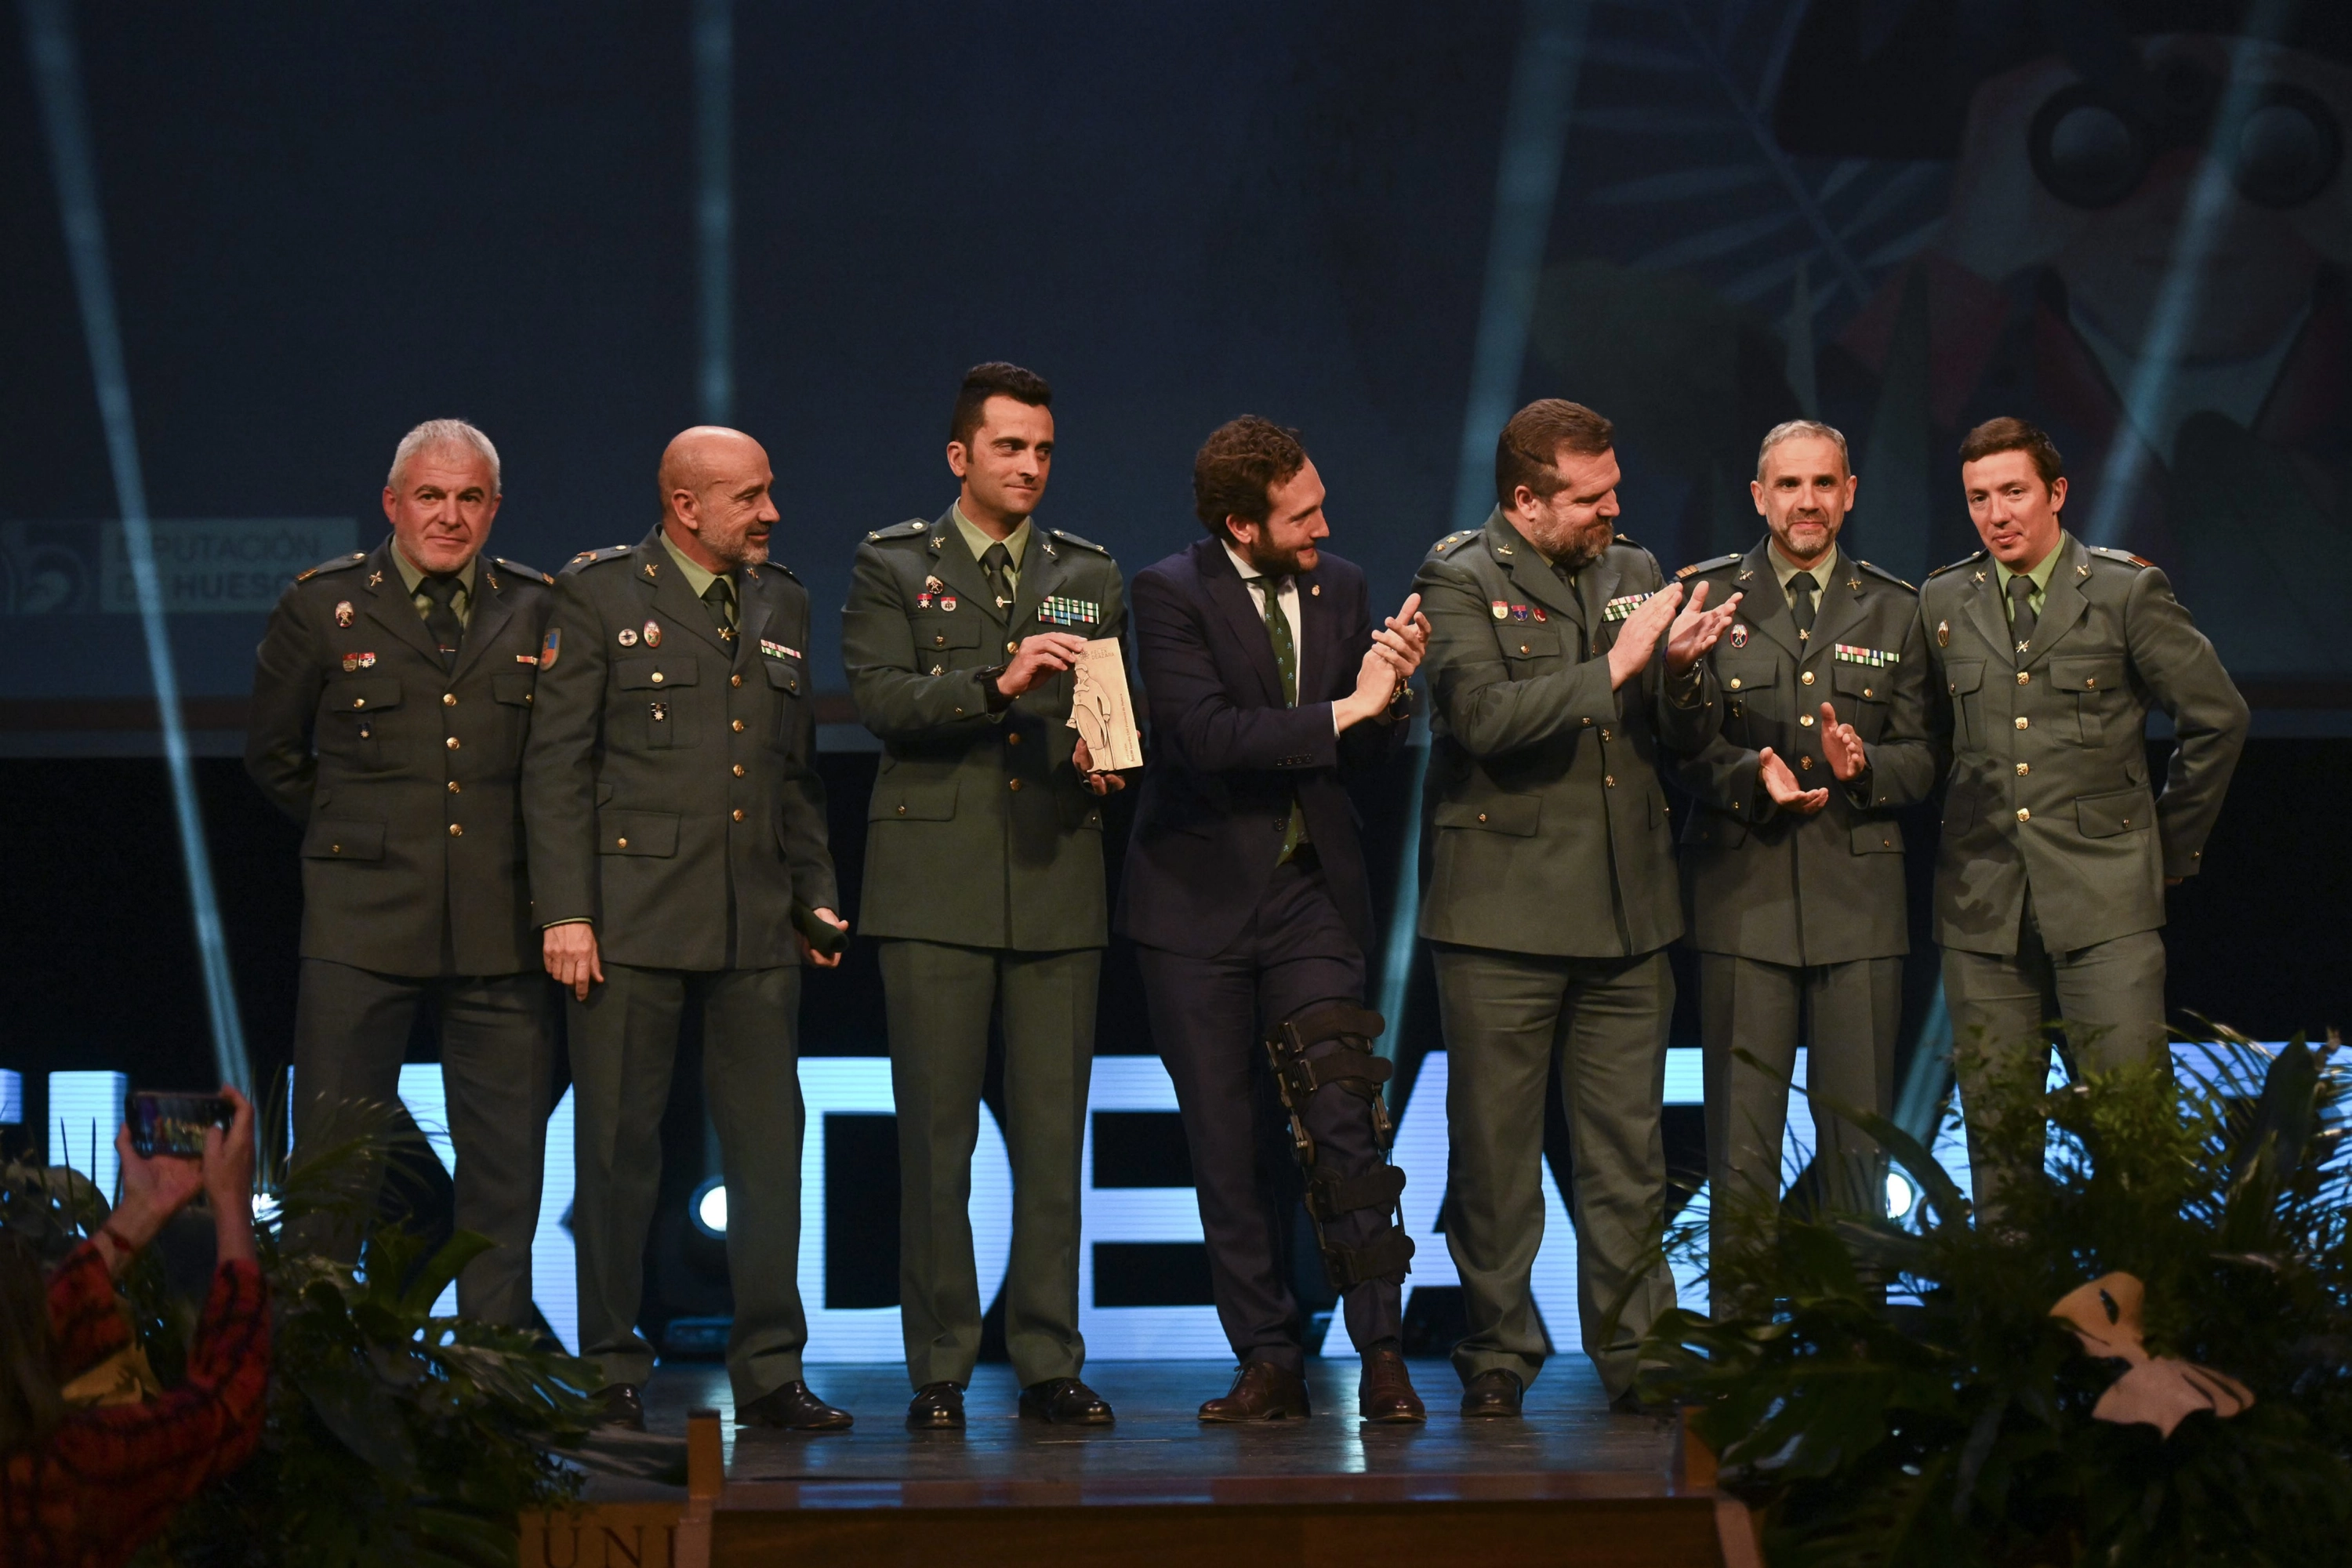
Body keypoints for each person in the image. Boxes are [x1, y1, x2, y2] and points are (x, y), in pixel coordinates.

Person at [1414, 398, 1739, 1415]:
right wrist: (1619, 664)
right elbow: (1482, 717)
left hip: (1627, 912)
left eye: (1615, 491)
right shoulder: (1459, 577)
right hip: (1503, 918)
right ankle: (1501, 1347)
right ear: (1525, 499)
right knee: (1498, 1155)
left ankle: (1640, 1348)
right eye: (1591, 497)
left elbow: (1675, 736)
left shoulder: (1636, 571)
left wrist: (1681, 677)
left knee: (1628, 1154)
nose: (1613, 510)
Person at [523, 426, 851, 1432]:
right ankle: (613, 1364)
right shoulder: (599, 594)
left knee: (768, 1151)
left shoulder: (781, 598)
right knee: (619, 1151)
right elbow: (558, 766)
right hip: (631, 919)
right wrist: (568, 911)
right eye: (750, 497)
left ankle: (770, 1370)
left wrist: (816, 890)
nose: (771, 513)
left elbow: (793, 773)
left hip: (754, 918)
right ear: (684, 505)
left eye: (769, 492)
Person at [1121, 416, 1430, 1423]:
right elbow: (1206, 736)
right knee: (1225, 1139)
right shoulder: (1168, 593)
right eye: (1303, 514)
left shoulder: (1339, 585)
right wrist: (1349, 709)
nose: (1325, 526)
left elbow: (1365, 755)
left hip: (1310, 895)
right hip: (1197, 908)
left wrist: (1393, 703)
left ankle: (1381, 1344)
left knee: (1345, 1117)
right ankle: (1269, 1355)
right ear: (1239, 524)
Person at [841, 363, 1127, 1431]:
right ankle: (941, 1370)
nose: (1031, 467)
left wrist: (1108, 762)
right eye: (1010, 447)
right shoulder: (893, 563)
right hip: (934, 883)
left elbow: (1105, 708)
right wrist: (993, 684)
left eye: (1044, 449)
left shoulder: (1090, 571)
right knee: (937, 1143)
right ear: (961, 456)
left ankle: (1050, 1358)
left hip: (1058, 875)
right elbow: (879, 698)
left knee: (1054, 1139)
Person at [245, 418, 556, 1325]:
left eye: (469, 498)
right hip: (360, 921)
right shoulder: (322, 605)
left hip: (501, 918)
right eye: (430, 495)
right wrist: (358, 830)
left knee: (504, 1170)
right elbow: (271, 754)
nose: (449, 516)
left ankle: (492, 1371)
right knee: (336, 1161)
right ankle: (320, 1363)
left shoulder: (540, 606)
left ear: (494, 509)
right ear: (393, 503)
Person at [1921, 416, 2247, 1200]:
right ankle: (2017, 1322)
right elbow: (1931, 740)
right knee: (2001, 1148)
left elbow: (2218, 717)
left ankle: (2136, 1320)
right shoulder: (1942, 598)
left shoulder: (2125, 590)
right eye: (1978, 498)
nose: (1997, 513)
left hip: (2105, 905)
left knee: (2134, 1141)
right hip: (1983, 908)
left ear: (2056, 493)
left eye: (2013, 492)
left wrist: (2166, 849)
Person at [1665, 420, 1936, 1307]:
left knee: (1858, 1138)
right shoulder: (1707, 596)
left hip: (1859, 900)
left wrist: (1868, 767)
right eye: (1788, 485)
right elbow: (1676, 743)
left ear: (1851, 491)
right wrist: (1749, 775)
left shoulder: (1898, 606)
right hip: (1743, 893)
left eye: (1824, 483)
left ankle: (1854, 1327)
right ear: (1758, 496)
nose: (1807, 501)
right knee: (1742, 1139)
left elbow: (1929, 755)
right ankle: (1740, 1327)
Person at [0, 1088, 268, 1568]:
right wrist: (231, 1205)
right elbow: (226, 1408)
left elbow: (35, 1324)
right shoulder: (63, 1476)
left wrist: (144, 1210)